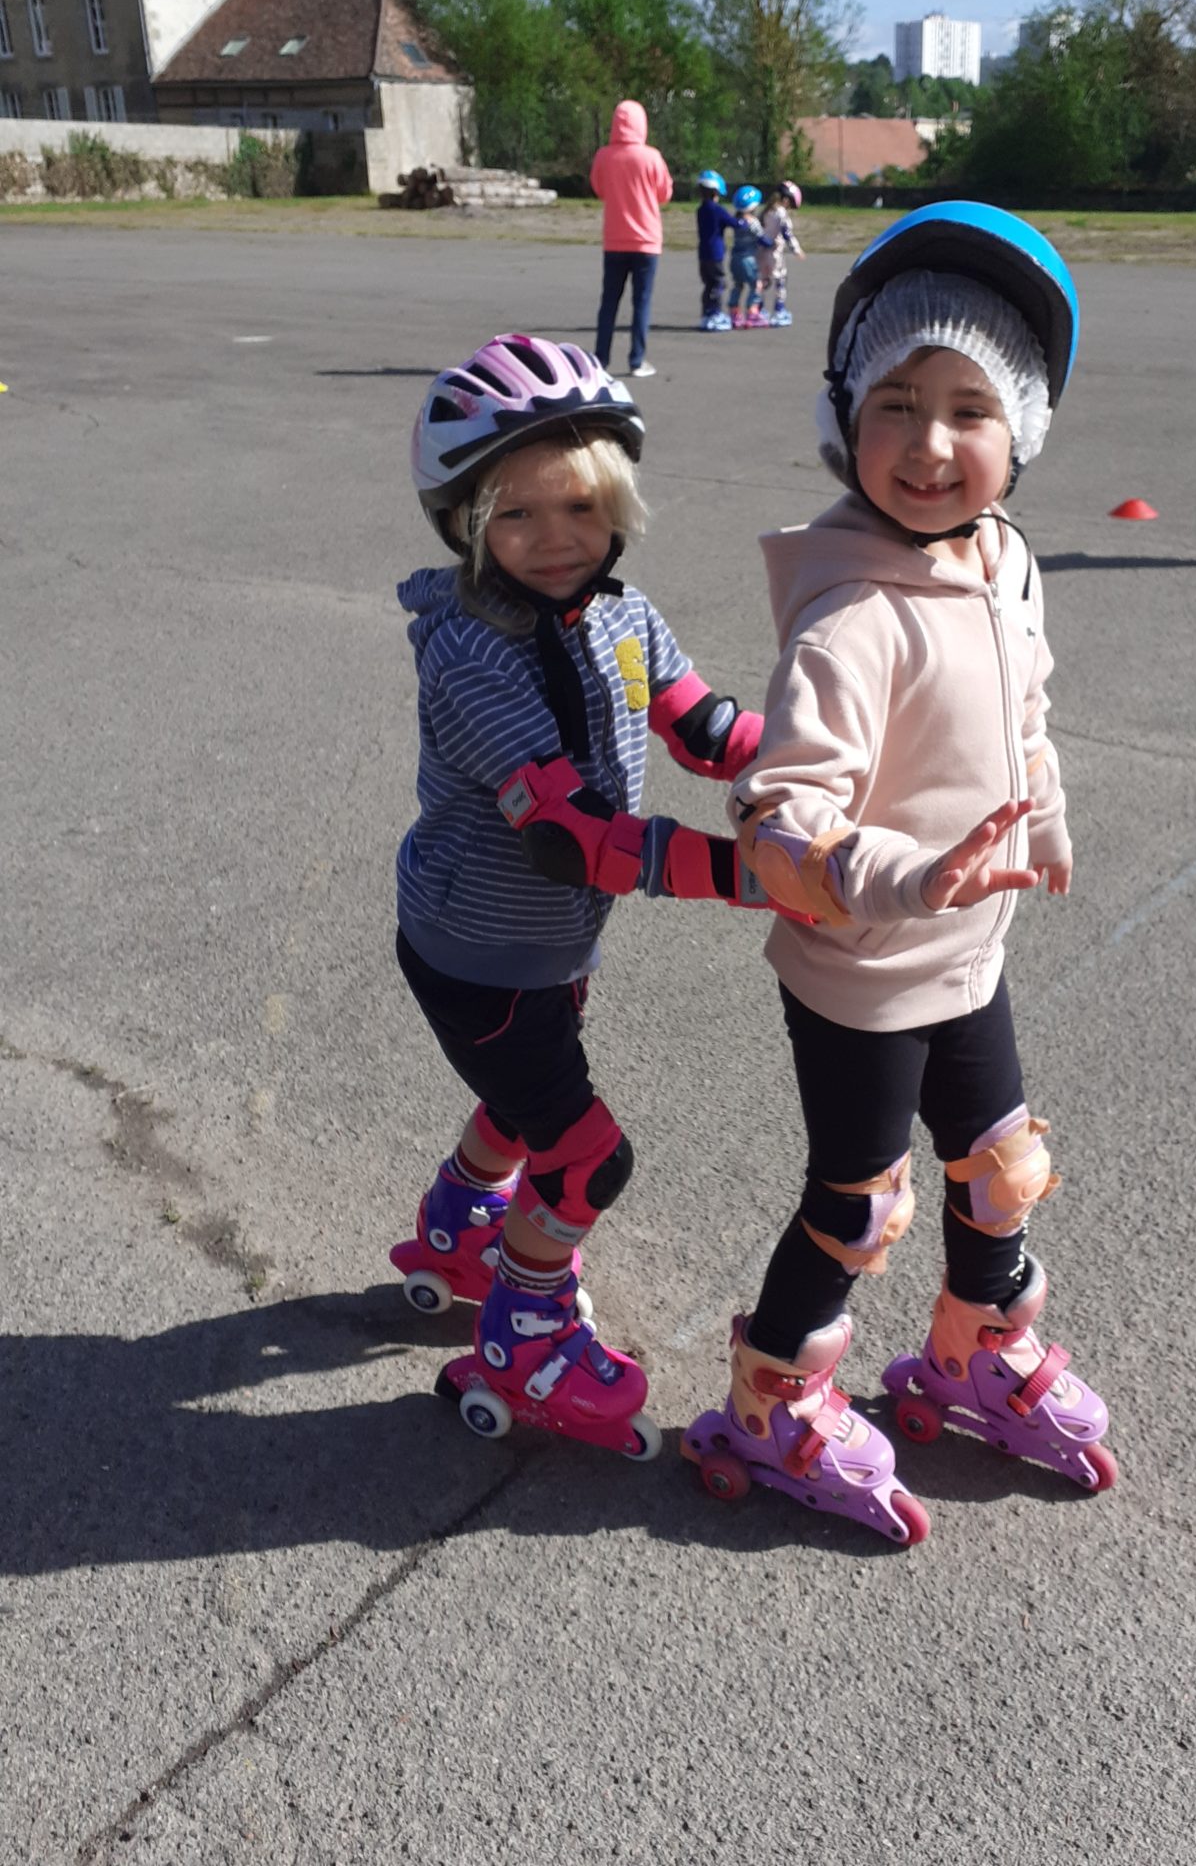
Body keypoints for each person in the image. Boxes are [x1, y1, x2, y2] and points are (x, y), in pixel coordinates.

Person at [678, 204, 1117, 1546]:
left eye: (970, 409)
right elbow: (783, 824)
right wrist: (915, 876)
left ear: (1021, 432)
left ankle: (975, 1349)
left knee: (1003, 1166)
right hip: (864, 968)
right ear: (846, 416)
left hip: (969, 946)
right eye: (897, 405)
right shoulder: (851, 618)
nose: (930, 445)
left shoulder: (1000, 559)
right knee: (858, 1203)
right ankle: (771, 1399)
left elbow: (1025, 712)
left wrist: (1041, 822)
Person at [389, 333, 775, 1458]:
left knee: (524, 1108)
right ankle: (523, 1335)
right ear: (463, 524)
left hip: (552, 944)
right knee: (585, 1155)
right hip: (477, 952)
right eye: (516, 514)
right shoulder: (471, 656)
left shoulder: (621, 614)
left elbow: (705, 724)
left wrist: (810, 754)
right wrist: (751, 877)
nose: (556, 538)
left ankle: (460, 1228)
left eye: (582, 507)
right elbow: (571, 840)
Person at [589, 100, 672, 379]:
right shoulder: (651, 157)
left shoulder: (604, 155)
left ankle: (600, 359)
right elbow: (664, 193)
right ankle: (637, 360)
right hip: (646, 240)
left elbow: (599, 188)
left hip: (615, 239)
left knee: (609, 302)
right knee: (642, 302)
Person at [696, 169, 755, 331]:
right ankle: (715, 314)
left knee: (708, 284)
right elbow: (734, 223)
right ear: (716, 192)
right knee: (718, 283)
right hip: (715, 253)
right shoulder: (717, 209)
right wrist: (746, 221)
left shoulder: (701, 209)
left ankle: (707, 314)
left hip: (703, 253)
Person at [755, 180, 806, 327]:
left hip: (761, 253)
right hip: (775, 254)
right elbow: (787, 233)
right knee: (780, 281)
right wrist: (796, 249)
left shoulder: (766, 211)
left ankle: (758, 310)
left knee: (762, 281)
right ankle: (779, 311)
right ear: (785, 200)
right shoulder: (781, 214)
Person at [726, 184, 766, 327]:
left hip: (735, 259)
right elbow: (762, 239)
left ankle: (734, 312)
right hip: (748, 260)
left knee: (738, 285)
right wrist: (771, 242)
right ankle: (752, 312)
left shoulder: (737, 220)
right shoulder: (753, 222)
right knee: (756, 285)